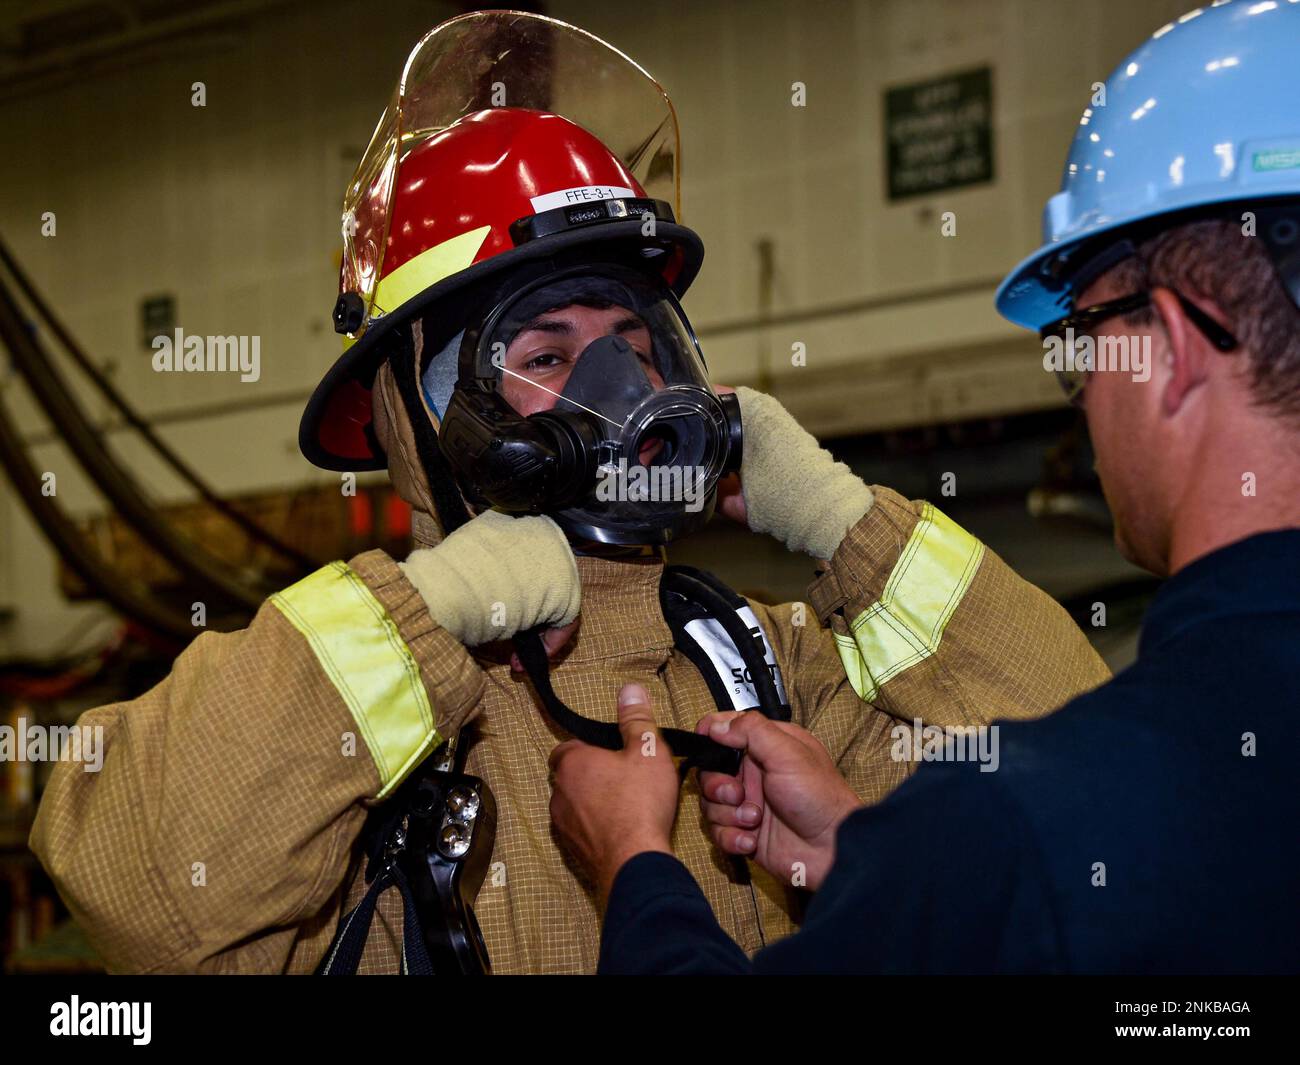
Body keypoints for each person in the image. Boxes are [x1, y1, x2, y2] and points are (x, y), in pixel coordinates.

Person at [28, 13, 1106, 974]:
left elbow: (1079, 792)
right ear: (422, 419)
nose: (618, 391)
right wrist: (429, 612)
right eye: (546, 352)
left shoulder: (763, 668)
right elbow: (141, 892)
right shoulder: (358, 732)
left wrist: (840, 521)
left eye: (636, 345)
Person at [549, 0, 1300, 975]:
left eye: (1079, 349)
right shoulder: (1038, 836)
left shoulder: (1028, 827)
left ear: (1175, 344)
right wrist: (881, 864)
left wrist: (634, 866)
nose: (1080, 402)